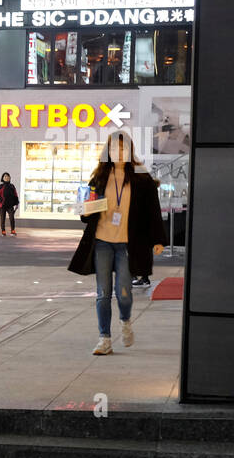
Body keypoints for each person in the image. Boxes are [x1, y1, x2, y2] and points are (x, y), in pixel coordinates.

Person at [68, 132, 167, 356]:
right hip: (102, 242)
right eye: (114, 149)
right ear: (108, 153)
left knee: (123, 292)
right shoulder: (99, 178)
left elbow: (153, 211)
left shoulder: (141, 179)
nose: (118, 153)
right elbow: (87, 212)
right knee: (103, 293)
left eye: (123, 149)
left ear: (130, 151)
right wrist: (84, 210)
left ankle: (125, 321)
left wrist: (159, 240)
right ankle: (104, 339)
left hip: (126, 245)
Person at [0, 171, 20, 236]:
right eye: (5, 176)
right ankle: (3, 231)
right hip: (2, 206)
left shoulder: (12, 186)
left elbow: (15, 195)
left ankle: (13, 231)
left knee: (12, 218)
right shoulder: (0, 186)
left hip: (10, 206)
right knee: (2, 219)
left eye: (8, 176)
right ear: (3, 178)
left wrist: (17, 203)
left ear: (10, 178)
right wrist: (1, 201)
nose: (6, 178)